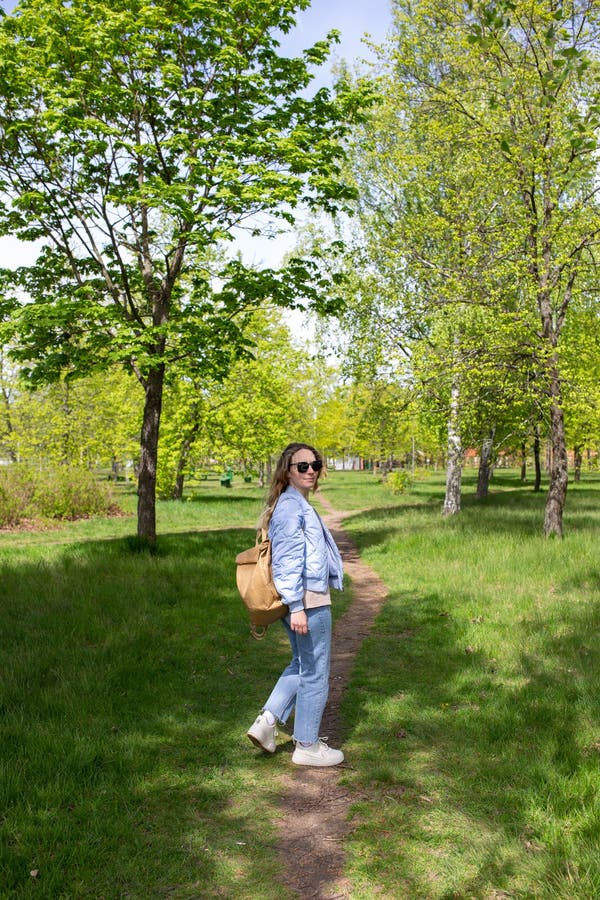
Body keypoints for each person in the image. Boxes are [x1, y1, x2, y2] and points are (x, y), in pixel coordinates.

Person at [247, 442, 345, 767]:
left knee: (301, 665)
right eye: (302, 466)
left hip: (304, 600)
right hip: (307, 602)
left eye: (314, 464)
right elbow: (287, 562)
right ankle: (307, 745)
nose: (310, 470)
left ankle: (266, 723)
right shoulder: (291, 507)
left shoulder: (294, 503)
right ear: (287, 471)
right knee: (315, 671)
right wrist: (298, 606)